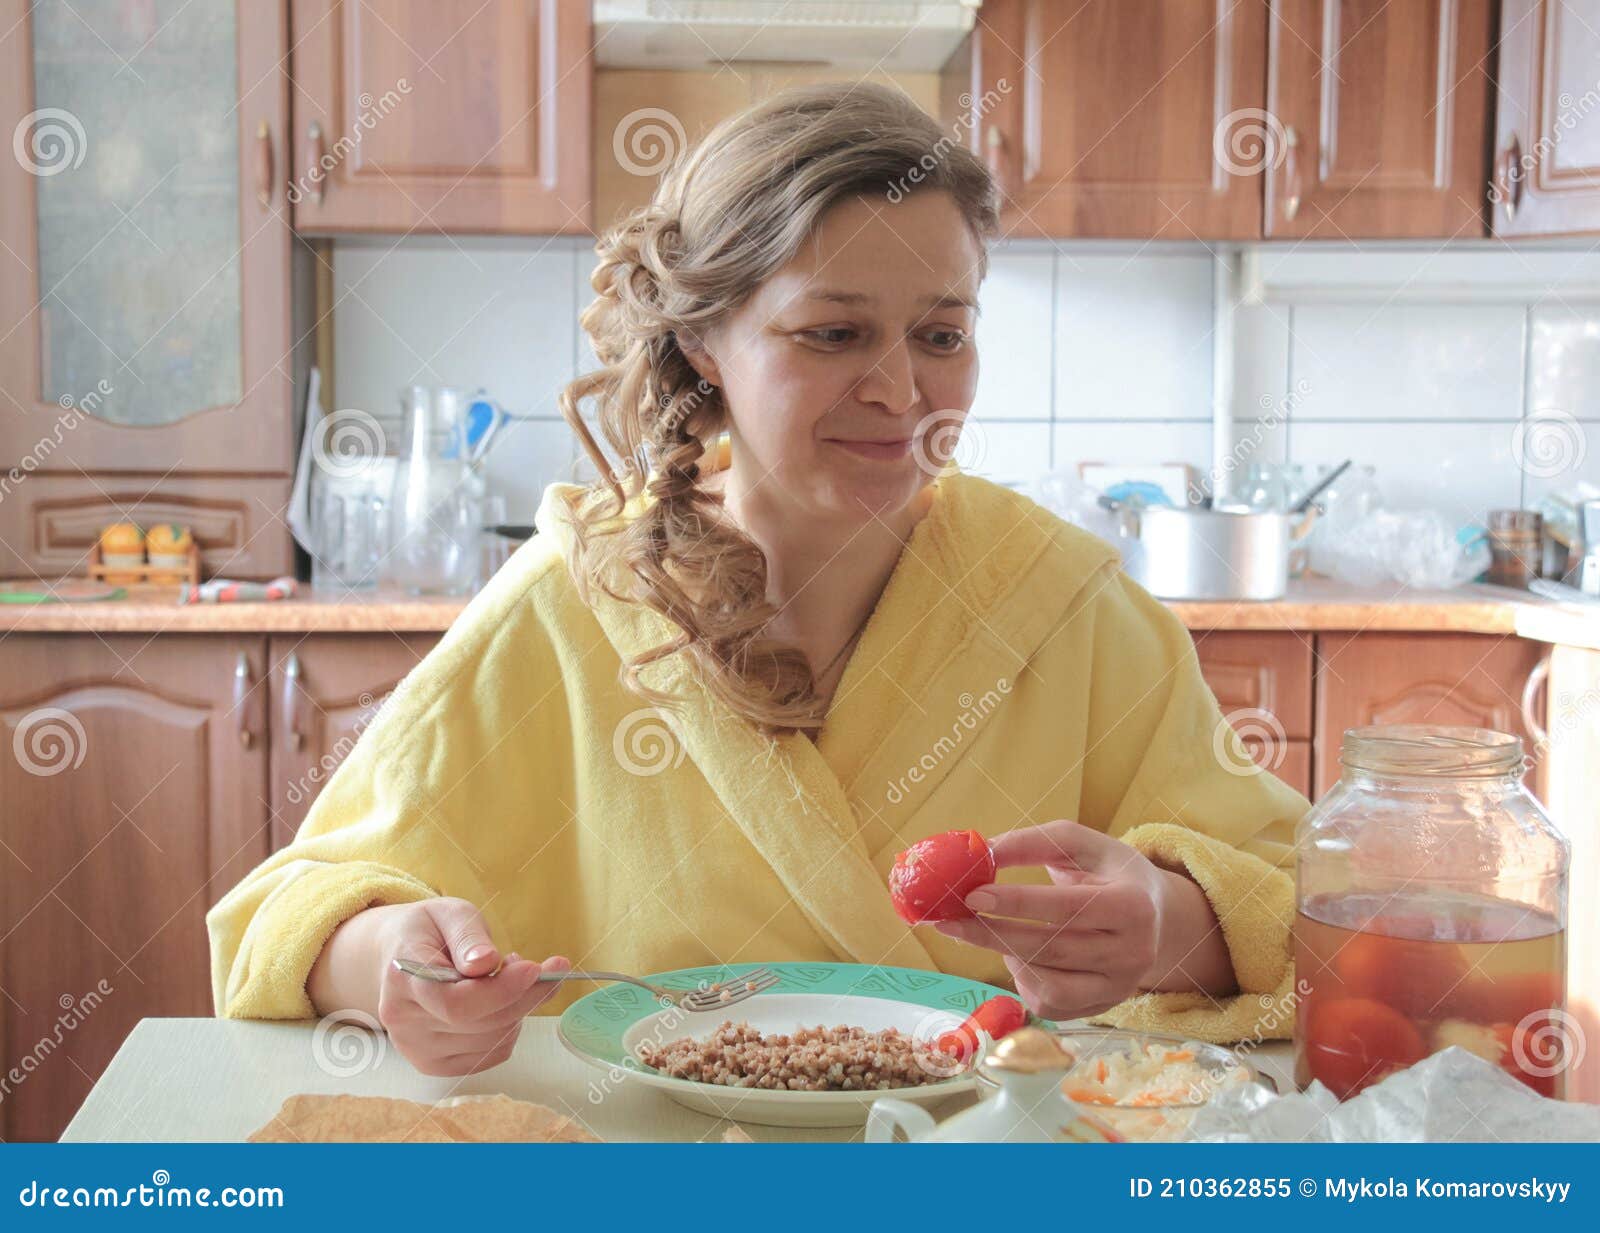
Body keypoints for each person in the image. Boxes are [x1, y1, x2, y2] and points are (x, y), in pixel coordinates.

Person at [208, 82, 1307, 1077]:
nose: (899, 389)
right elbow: (291, 912)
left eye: (941, 333)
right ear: (701, 346)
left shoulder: (1066, 606)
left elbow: (1305, 918)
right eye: (832, 333)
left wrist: (1171, 926)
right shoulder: (576, 602)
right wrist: (393, 967)